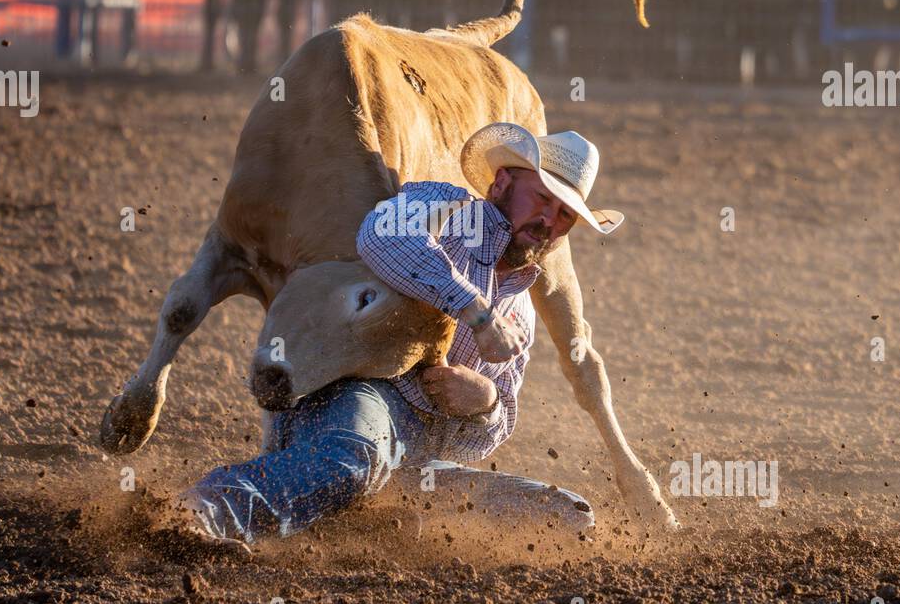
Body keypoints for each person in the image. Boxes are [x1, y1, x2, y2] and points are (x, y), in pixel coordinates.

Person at [180, 122, 625, 549]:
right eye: (542, 197)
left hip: (418, 456)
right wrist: (479, 315)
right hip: (357, 393)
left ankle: (349, 510)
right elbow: (381, 237)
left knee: (567, 514)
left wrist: (484, 402)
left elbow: (495, 426)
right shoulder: (445, 209)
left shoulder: (522, 311)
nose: (548, 219)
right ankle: (205, 512)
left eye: (564, 213)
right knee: (351, 459)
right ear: (502, 182)